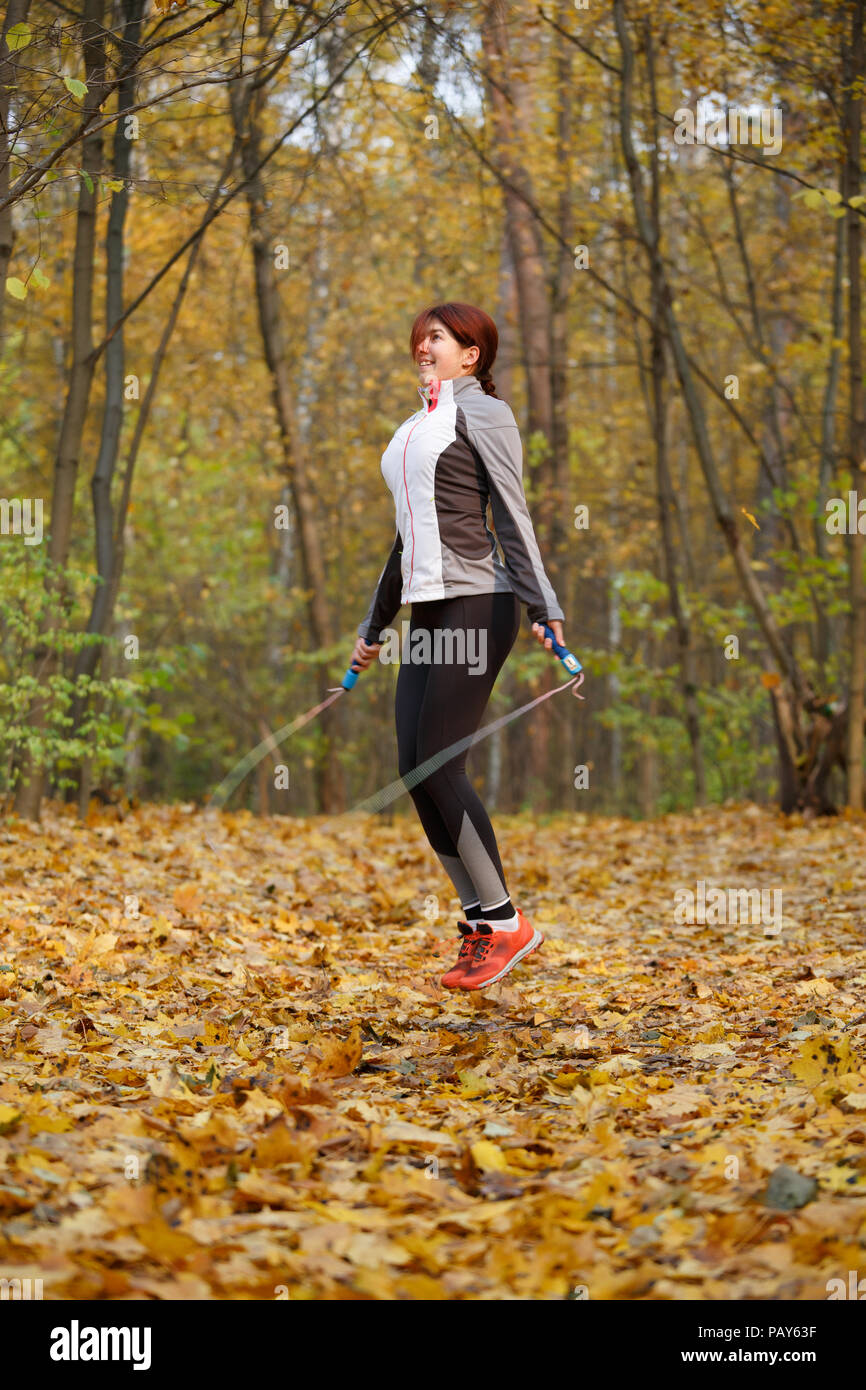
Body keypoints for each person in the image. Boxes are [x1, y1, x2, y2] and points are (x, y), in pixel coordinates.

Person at [349, 301, 566, 990]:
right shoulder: (414, 427)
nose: (422, 345)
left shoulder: (483, 414)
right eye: (419, 337)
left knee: (441, 763)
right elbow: (403, 541)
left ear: (471, 354)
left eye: (437, 337)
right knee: (416, 768)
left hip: (480, 599)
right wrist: (373, 627)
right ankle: (479, 924)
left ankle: (505, 923)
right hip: (429, 610)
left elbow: (512, 511)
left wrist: (544, 605)